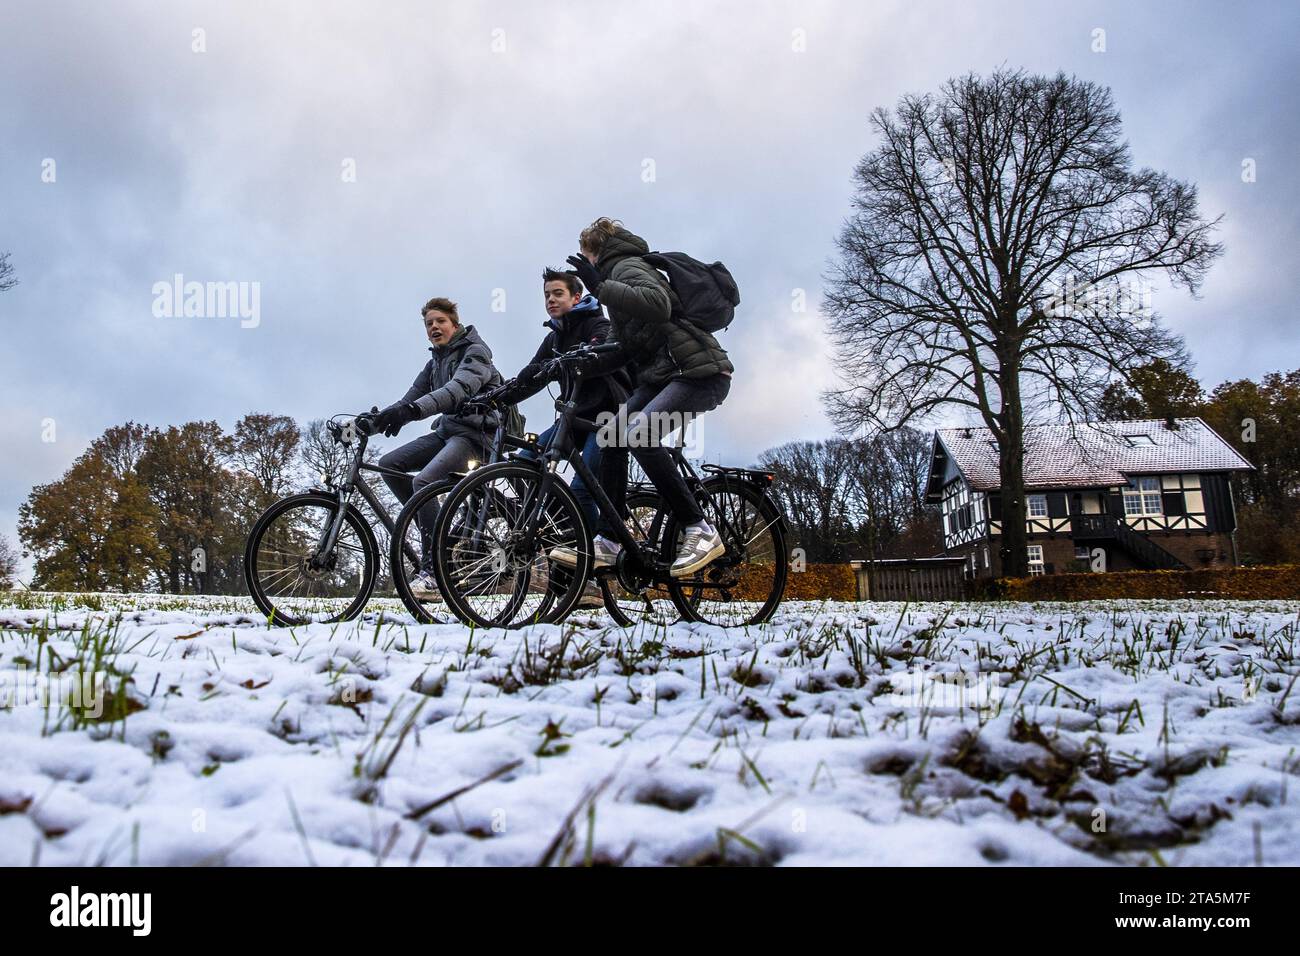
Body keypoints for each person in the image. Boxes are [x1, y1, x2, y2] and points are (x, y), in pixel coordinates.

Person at [550, 218, 734, 577]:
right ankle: (611, 538)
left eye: (586, 254)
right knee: (610, 437)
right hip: (663, 375)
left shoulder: (628, 266)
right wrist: (583, 364)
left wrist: (601, 286)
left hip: (697, 372)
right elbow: (628, 347)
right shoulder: (615, 280)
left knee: (639, 434)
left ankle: (699, 527)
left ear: (595, 250)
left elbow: (658, 304)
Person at [498, 268, 632, 608]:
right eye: (546, 295)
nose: (550, 300)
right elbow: (531, 375)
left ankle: (586, 575)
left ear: (576, 297)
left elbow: (605, 350)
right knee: (525, 460)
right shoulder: (555, 336)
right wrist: (499, 397)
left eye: (557, 293)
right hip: (573, 419)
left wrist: (578, 359)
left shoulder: (597, 324)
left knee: (581, 490)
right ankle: (565, 527)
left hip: (604, 418)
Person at [369, 297, 503, 597]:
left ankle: (433, 567)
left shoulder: (476, 352)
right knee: (390, 464)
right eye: (428, 324)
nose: (434, 327)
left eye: (440, 321)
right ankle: (435, 533)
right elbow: (408, 400)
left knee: (424, 482)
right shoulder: (434, 363)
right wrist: (372, 422)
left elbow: (457, 390)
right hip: (448, 432)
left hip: (477, 436)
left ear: (455, 324)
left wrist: (413, 412)